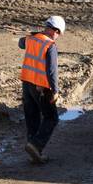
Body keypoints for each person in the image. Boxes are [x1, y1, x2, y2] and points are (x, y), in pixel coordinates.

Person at [19, 15, 64, 164]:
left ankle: (34, 149)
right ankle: (36, 146)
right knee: (51, 118)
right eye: (58, 33)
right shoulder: (50, 45)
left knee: (32, 117)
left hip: (26, 83)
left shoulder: (32, 39)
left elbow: (21, 43)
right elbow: (52, 71)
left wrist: (32, 34)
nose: (57, 36)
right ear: (54, 30)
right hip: (41, 87)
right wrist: (55, 90)